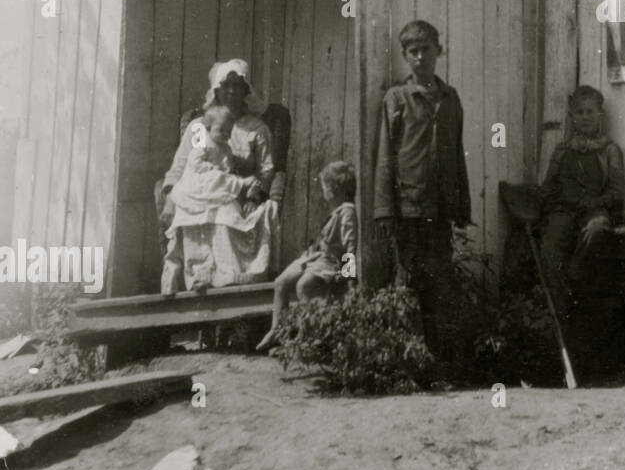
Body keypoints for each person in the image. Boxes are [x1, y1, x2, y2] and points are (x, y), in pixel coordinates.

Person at [372, 21, 471, 363]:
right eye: (412, 51)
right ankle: (403, 356)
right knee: (407, 277)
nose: (419, 57)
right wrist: (385, 209)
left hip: (440, 207)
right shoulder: (397, 99)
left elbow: (457, 154)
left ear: (438, 52)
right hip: (408, 206)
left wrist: (461, 206)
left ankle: (437, 357)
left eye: (425, 49)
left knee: (439, 279)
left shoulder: (450, 98)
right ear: (404, 57)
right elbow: (385, 155)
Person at [159, 59, 278, 295]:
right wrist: (171, 197)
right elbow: (183, 166)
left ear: (247, 90)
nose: (232, 92)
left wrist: (254, 197)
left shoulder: (257, 129)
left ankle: (230, 277)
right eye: (227, 86)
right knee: (192, 215)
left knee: (225, 214)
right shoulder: (201, 126)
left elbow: (266, 171)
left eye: (238, 86)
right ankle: (200, 276)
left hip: (238, 194)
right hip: (201, 190)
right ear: (217, 90)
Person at [537, 85, 625, 324]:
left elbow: (617, 192)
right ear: (572, 117)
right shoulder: (562, 150)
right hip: (564, 211)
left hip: (594, 210)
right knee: (550, 248)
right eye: (579, 112)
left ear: (600, 115)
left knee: (597, 231)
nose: (585, 117)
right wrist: (553, 205)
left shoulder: (609, 150)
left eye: (590, 112)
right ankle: (560, 309)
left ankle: (575, 273)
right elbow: (548, 187)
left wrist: (596, 203)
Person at [257, 161, 357, 351]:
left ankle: (309, 334)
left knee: (304, 285)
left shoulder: (348, 213)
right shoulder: (337, 211)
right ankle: (276, 331)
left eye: (325, 186)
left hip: (330, 262)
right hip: (315, 257)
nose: (323, 191)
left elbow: (350, 247)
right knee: (280, 282)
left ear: (335, 189)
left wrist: (348, 277)